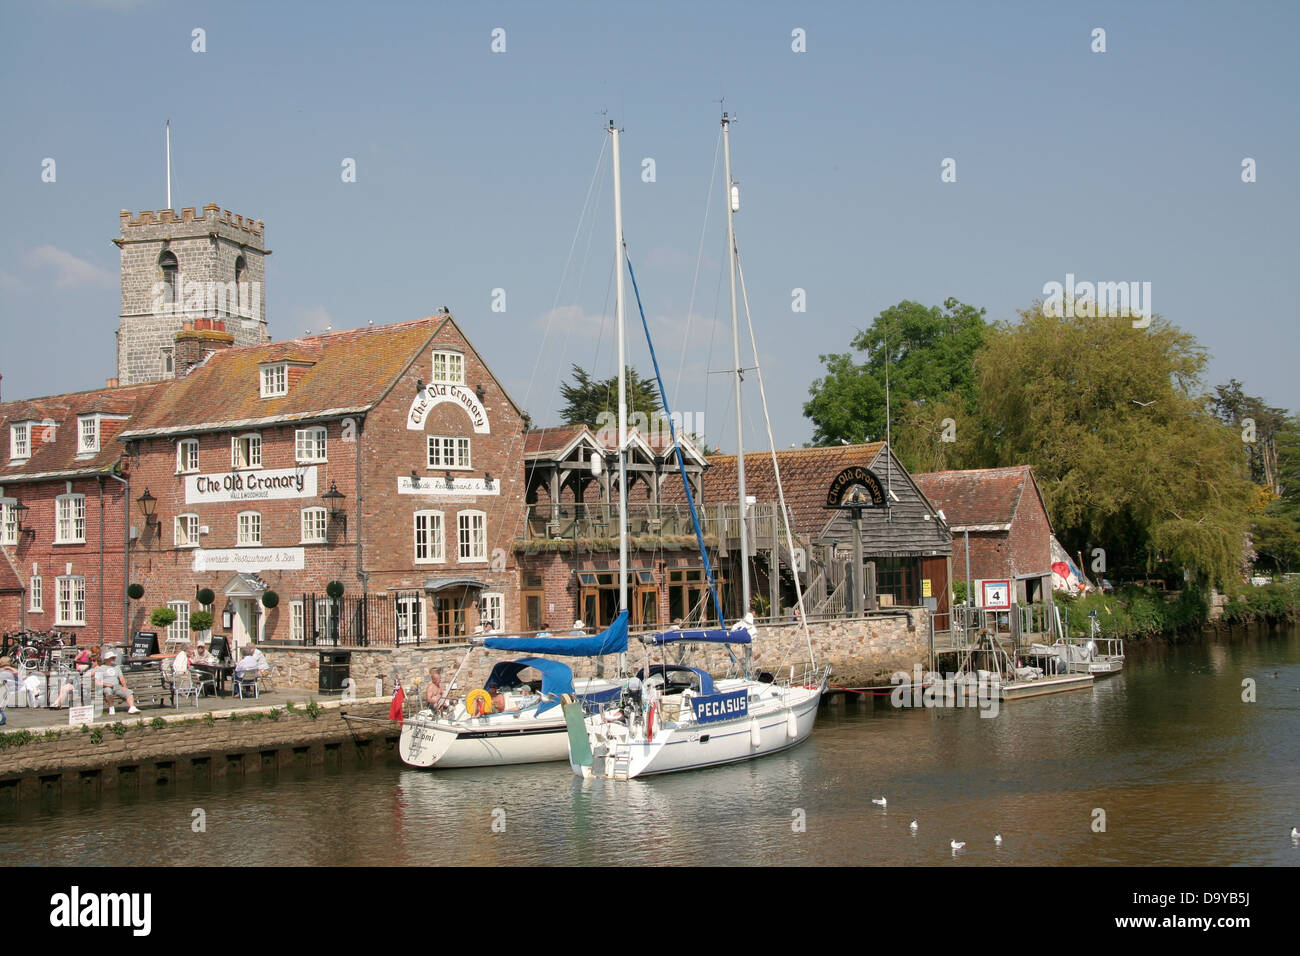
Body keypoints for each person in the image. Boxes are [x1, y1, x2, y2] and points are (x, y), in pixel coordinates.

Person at [95, 650, 140, 715]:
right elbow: (97, 682)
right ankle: (111, 708)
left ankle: (132, 707)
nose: (114, 659)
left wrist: (124, 686)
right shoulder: (101, 668)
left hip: (116, 686)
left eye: (114, 658)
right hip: (106, 687)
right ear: (107, 659)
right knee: (108, 691)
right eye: (112, 658)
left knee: (129, 692)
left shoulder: (117, 667)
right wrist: (107, 684)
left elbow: (121, 678)